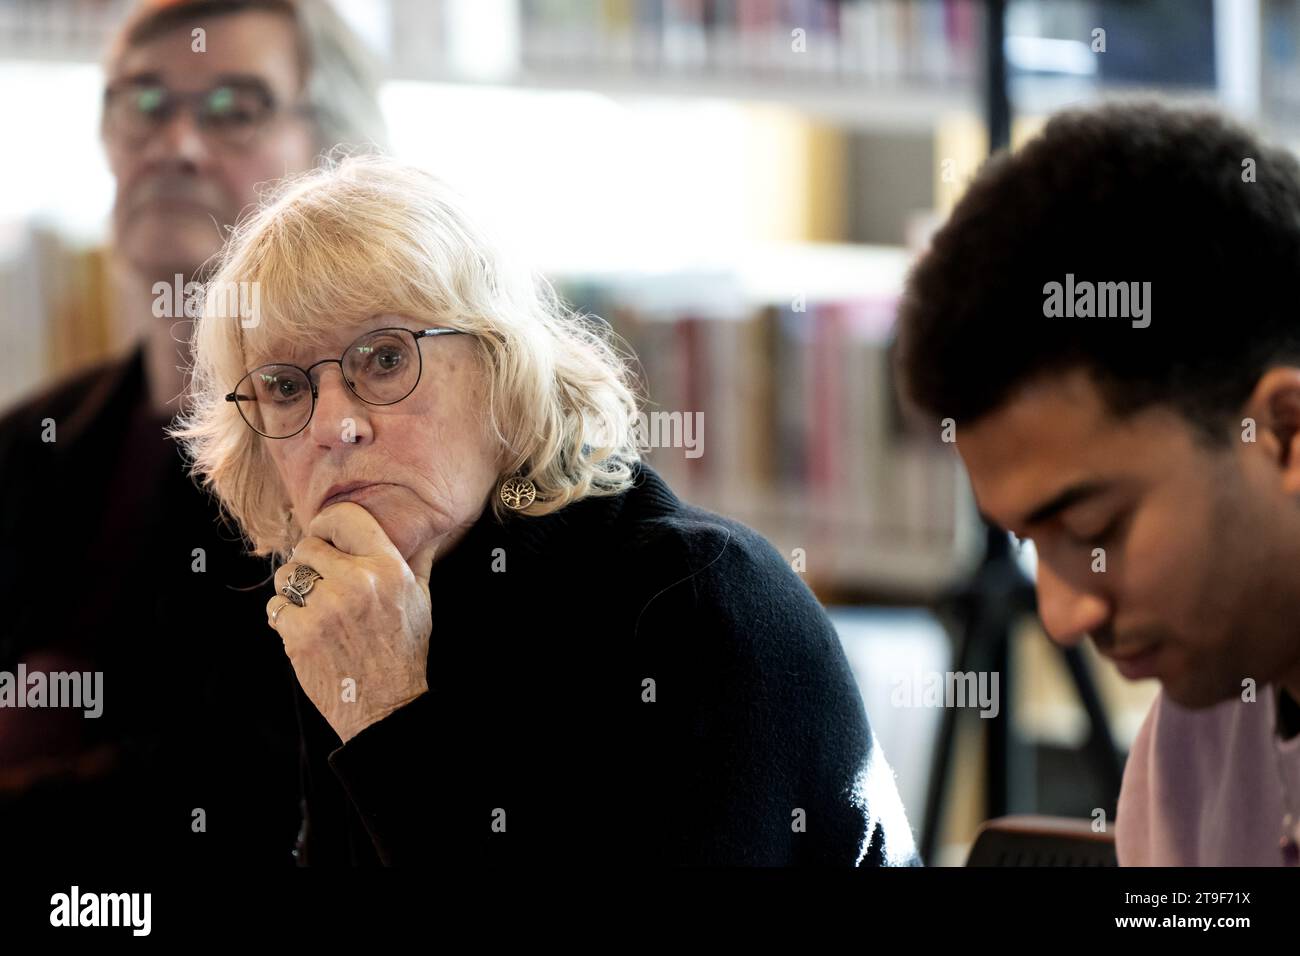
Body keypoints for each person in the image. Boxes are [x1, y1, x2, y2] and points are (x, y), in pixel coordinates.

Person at [170, 154, 921, 866]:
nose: (335, 426)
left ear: (502, 370)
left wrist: (387, 717)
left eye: (386, 359)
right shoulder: (351, 605)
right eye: (287, 388)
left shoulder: (693, 600)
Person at [0, 0, 385, 863]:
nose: (174, 145)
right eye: (143, 102)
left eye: (233, 108)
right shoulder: (31, 443)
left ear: (338, 160)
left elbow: (261, 783)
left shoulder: (362, 458)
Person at [893, 100, 1300, 866]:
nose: (1061, 615)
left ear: (1282, 435)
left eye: (1091, 532)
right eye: (1028, 545)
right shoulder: (1193, 743)